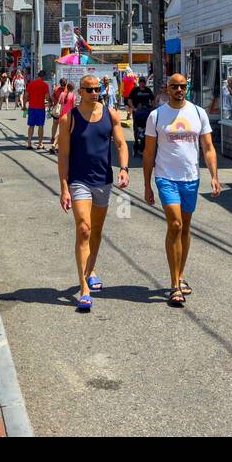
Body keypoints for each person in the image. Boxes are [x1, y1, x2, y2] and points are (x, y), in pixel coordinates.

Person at [143, 73, 221, 308]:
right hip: (166, 177)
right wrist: (147, 185)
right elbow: (148, 154)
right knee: (175, 224)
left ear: (187, 88)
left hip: (191, 178)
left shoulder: (198, 113)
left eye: (183, 86)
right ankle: (174, 284)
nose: (179, 89)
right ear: (167, 89)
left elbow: (208, 147)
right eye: (175, 86)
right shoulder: (156, 116)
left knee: (185, 227)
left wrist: (214, 176)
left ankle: (181, 274)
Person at [57, 74, 129, 312]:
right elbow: (64, 155)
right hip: (79, 180)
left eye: (97, 89)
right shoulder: (70, 118)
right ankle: (84, 289)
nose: (94, 93)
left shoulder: (110, 114)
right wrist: (64, 187)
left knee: (96, 230)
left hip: (103, 180)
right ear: (80, 91)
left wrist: (124, 169)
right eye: (89, 90)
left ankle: (91, 270)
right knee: (84, 228)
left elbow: (120, 144)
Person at [128, 75, 156, 158]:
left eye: (143, 82)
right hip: (137, 112)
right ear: (139, 82)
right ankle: (136, 142)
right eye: (141, 82)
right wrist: (134, 108)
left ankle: (144, 144)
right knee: (137, 128)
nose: (142, 83)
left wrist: (152, 108)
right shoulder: (135, 90)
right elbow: (129, 100)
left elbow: (153, 100)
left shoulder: (148, 90)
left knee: (147, 128)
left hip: (147, 112)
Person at [24, 70, 50, 150]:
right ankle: (40, 143)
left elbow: (26, 95)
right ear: (44, 77)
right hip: (40, 108)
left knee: (31, 125)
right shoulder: (45, 85)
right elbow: (47, 97)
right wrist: (50, 101)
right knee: (41, 126)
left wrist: (24, 105)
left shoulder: (31, 84)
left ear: (38, 75)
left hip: (31, 108)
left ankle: (29, 143)